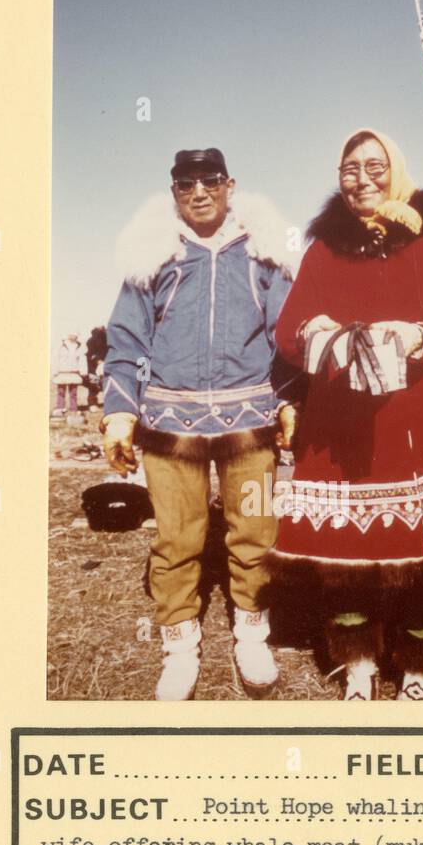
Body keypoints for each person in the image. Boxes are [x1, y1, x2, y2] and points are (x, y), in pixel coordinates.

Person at [269, 128, 423, 700]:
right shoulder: (323, 249)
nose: (362, 178)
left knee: (419, 556)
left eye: (374, 165)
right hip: (342, 426)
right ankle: (356, 661)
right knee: (345, 558)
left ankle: (419, 663)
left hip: (420, 414)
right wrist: (319, 334)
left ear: (396, 169)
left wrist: (415, 335)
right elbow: (290, 327)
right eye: (349, 168)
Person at [100, 148, 298, 701]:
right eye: (186, 184)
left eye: (210, 180)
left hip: (250, 422)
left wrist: (289, 401)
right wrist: (120, 412)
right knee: (177, 537)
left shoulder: (262, 255)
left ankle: (252, 634)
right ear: (174, 194)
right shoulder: (152, 257)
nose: (199, 192)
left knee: (254, 529)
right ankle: (180, 648)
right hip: (170, 424)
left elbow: (287, 336)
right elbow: (126, 339)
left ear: (230, 184)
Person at [51, 333, 87, 420]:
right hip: (62, 372)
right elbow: (55, 358)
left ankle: (73, 409)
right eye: (71, 334)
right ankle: (60, 408)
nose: (73, 336)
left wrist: (83, 370)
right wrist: (54, 371)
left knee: (73, 393)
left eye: (75, 334)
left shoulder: (79, 346)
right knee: (61, 392)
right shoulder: (61, 345)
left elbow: (82, 359)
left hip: (74, 372)